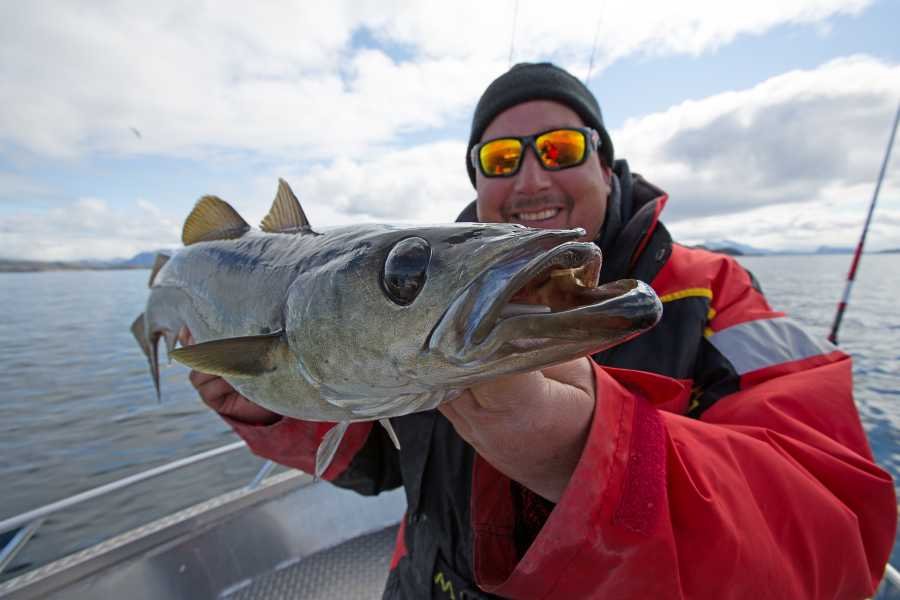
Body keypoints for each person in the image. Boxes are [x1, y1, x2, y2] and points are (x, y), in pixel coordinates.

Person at [185, 63, 897, 598]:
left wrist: (588, 449)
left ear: (606, 164)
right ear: (476, 180)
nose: (529, 180)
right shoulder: (420, 299)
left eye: (558, 148)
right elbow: (377, 461)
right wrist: (272, 409)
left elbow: (840, 541)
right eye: (499, 160)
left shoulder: (714, 293)